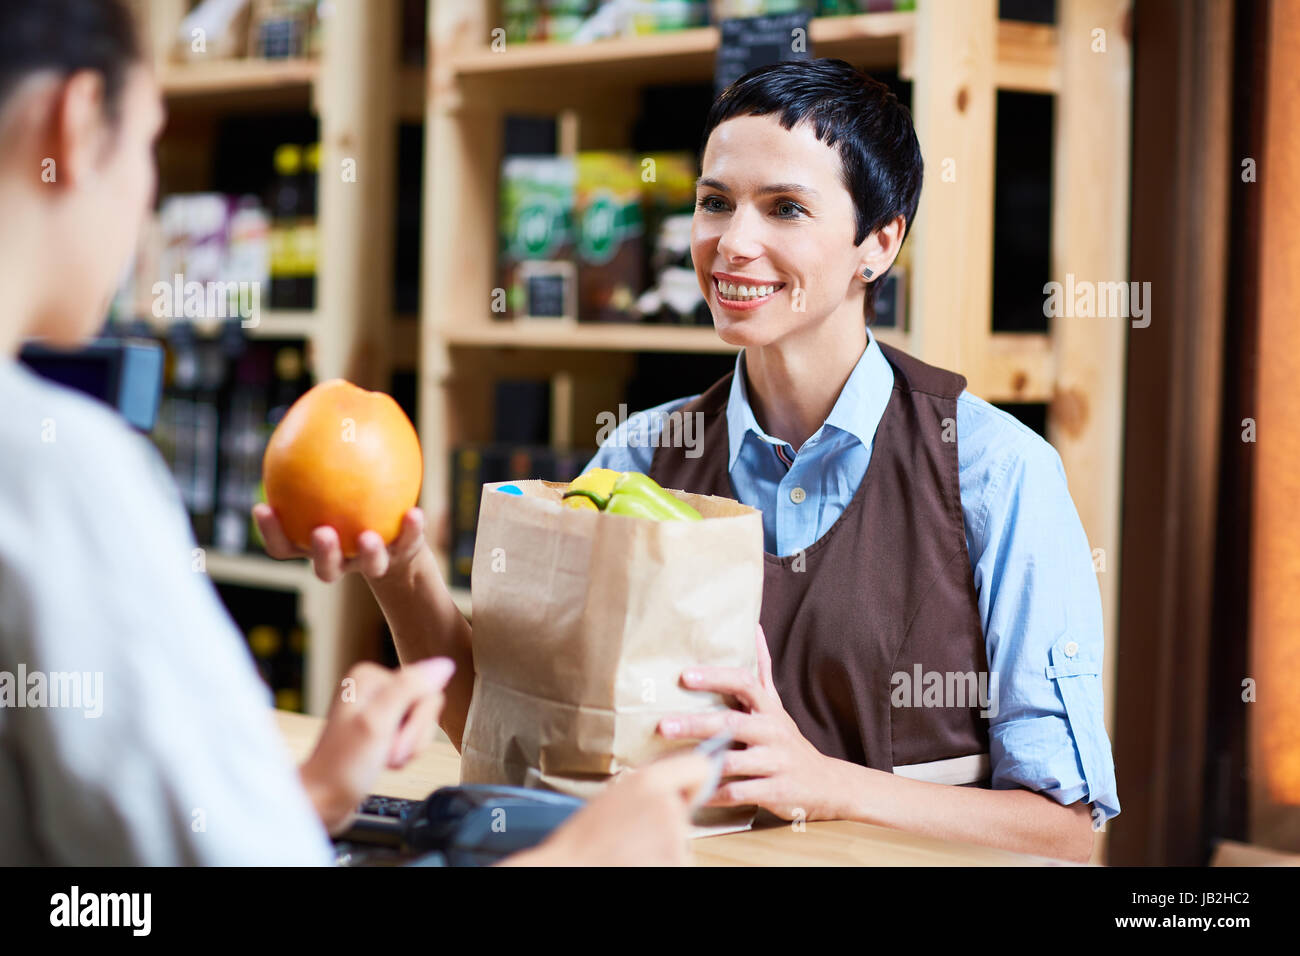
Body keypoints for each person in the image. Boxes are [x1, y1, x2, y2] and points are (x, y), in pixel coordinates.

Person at [261, 58, 1119, 864]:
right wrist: (401, 565)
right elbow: (508, 718)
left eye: (785, 208)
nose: (732, 242)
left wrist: (825, 785)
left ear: (880, 244)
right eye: (715, 202)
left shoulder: (996, 473)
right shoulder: (640, 457)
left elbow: (1064, 832)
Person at [0, 0, 711, 867]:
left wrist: (308, 797)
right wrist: (580, 859)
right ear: (73, 123)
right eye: (151, 141)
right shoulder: (57, 465)